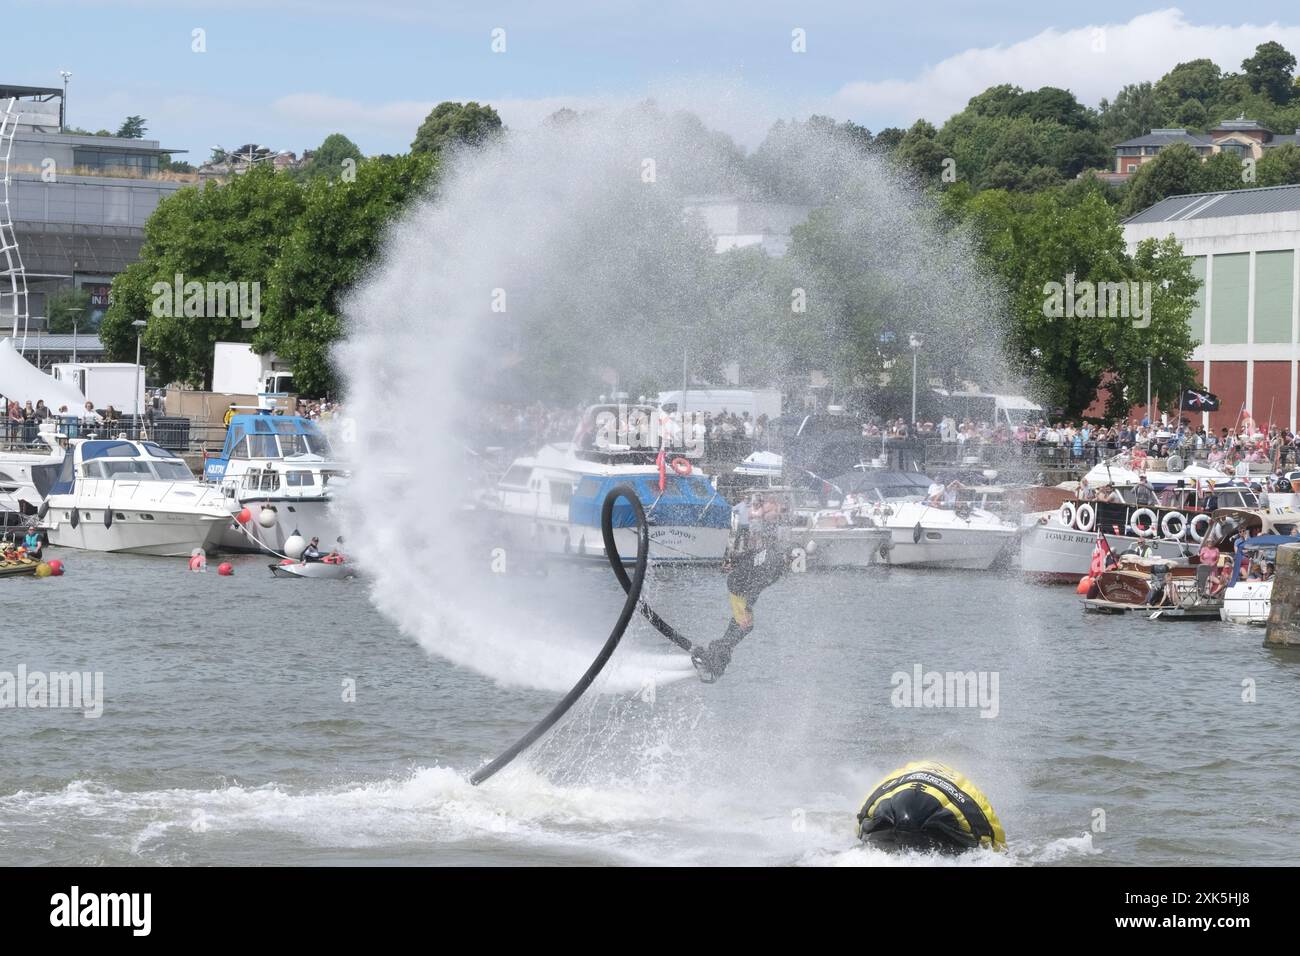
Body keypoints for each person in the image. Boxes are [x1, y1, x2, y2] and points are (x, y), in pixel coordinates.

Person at [690, 530, 798, 682]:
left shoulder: (769, 550)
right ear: (789, 557)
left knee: (742, 623)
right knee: (745, 625)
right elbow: (758, 584)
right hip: (739, 589)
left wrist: (731, 561)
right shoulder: (777, 567)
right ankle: (716, 652)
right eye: (793, 559)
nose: (793, 563)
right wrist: (747, 604)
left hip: (737, 582)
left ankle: (722, 649)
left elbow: (748, 555)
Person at [856, 761, 1006, 854]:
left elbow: (862, 819)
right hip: (952, 814)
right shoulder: (964, 790)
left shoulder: (887, 791)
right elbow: (995, 842)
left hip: (890, 808)